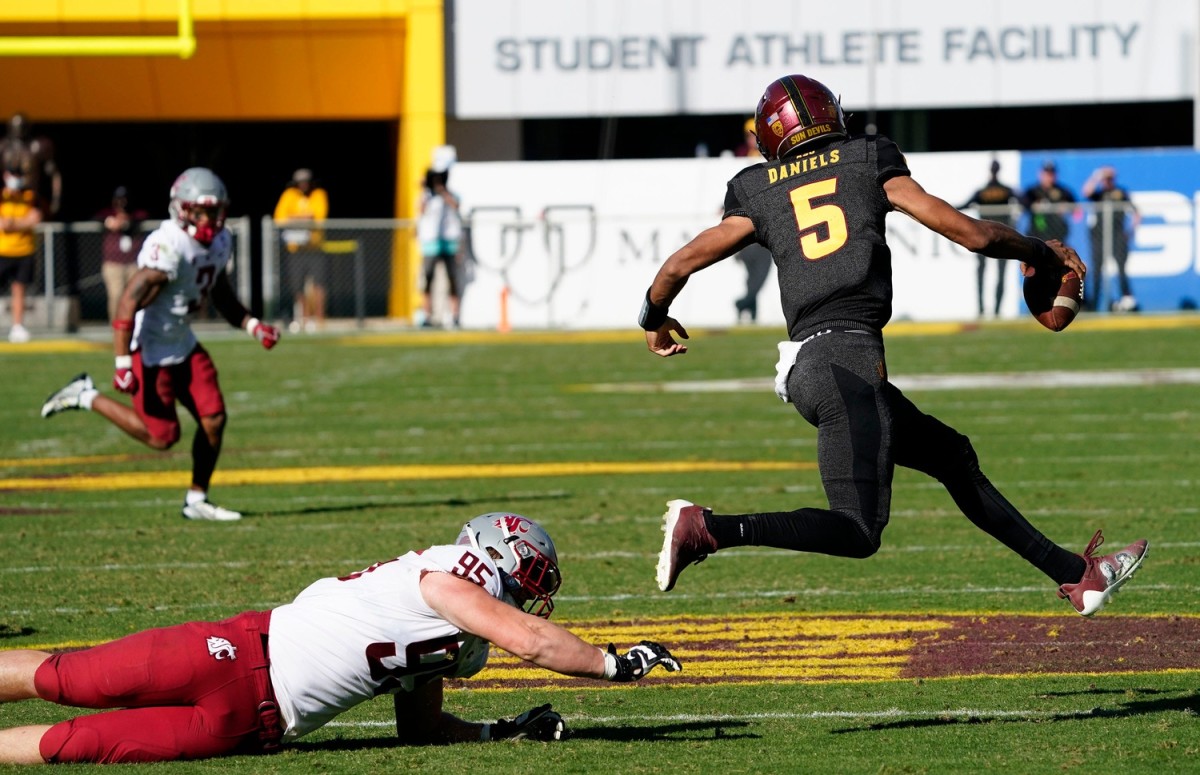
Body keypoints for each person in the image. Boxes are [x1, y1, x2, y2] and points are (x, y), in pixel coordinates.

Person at [638, 74, 1149, 618]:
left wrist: (655, 316)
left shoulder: (756, 187)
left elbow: (679, 264)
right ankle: (708, 528)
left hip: (822, 366)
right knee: (858, 530)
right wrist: (1040, 252)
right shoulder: (865, 158)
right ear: (831, 116)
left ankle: (1077, 576)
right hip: (847, 367)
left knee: (953, 456)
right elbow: (971, 233)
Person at [0, 512, 682, 764]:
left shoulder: (459, 638)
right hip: (236, 651)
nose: (528, 594)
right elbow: (532, 640)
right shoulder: (446, 578)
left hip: (251, 727)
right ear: (490, 555)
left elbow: (418, 729)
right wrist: (615, 663)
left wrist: (502, 730)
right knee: (66, 677)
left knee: (73, 746)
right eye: (527, 577)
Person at [40, 168, 281, 522]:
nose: (210, 220)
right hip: (148, 348)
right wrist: (122, 363)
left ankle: (196, 499)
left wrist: (252, 324)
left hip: (182, 343)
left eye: (215, 211)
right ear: (182, 210)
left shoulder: (220, 241)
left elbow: (220, 292)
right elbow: (127, 303)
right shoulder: (169, 244)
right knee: (162, 437)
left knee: (213, 419)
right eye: (201, 212)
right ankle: (85, 395)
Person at [960, 161, 1020, 318]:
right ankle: (995, 311)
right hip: (1001, 237)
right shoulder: (1006, 190)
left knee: (982, 272)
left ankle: (982, 309)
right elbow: (1023, 201)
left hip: (983, 237)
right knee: (999, 273)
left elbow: (965, 204)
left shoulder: (983, 191)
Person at [273, 168, 329, 332]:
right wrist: (303, 218)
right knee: (298, 286)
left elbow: (318, 217)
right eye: (300, 182)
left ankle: (319, 320)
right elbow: (280, 218)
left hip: (315, 248)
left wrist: (294, 218)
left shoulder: (318, 194)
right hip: (296, 250)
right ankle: (303, 319)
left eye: (306, 182)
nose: (303, 185)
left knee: (319, 284)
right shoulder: (289, 195)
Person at [1082, 165, 1140, 312]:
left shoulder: (1120, 193)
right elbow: (1086, 192)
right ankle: (1094, 305)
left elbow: (1136, 213)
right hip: (1099, 236)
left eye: (1109, 179)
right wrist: (1097, 176)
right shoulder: (1099, 194)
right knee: (1096, 271)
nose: (1107, 182)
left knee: (1121, 269)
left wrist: (1131, 231)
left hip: (1117, 235)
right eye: (1105, 179)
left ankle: (1127, 301)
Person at [0, 162, 44, 343]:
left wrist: (14, 224)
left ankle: (17, 327)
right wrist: (20, 223)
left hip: (24, 250)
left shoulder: (30, 196)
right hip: (3, 250)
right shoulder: (2, 196)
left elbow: (35, 219)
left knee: (19, 289)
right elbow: (3, 224)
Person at [417, 167, 464, 328]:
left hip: (449, 243)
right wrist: (425, 190)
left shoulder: (450, 195)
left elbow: (456, 206)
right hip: (431, 245)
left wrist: (443, 192)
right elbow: (420, 210)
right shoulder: (427, 196)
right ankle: (427, 316)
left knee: (452, 280)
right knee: (427, 281)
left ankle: (455, 316)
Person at [94, 186, 149, 322]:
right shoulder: (108, 213)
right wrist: (109, 222)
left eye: (124, 200)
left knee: (135, 296)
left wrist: (126, 223)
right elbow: (95, 219)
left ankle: (134, 325)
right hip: (113, 264)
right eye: (119, 200)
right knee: (116, 295)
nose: (122, 203)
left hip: (133, 264)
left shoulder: (137, 214)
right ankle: (117, 327)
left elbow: (141, 220)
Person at [0, 112, 61, 218]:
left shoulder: (35, 147)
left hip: (31, 199)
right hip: (7, 200)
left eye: (21, 127)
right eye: (16, 126)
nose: (18, 130)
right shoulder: (4, 148)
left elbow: (54, 174)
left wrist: (55, 199)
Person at [1021, 160, 1076, 246]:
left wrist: (1066, 208)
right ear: (1041, 174)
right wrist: (1035, 206)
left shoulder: (1063, 191)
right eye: (1047, 173)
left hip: (1057, 235)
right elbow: (1024, 204)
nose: (1049, 177)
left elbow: (1077, 211)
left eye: (1052, 174)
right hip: (1037, 234)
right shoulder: (1032, 191)